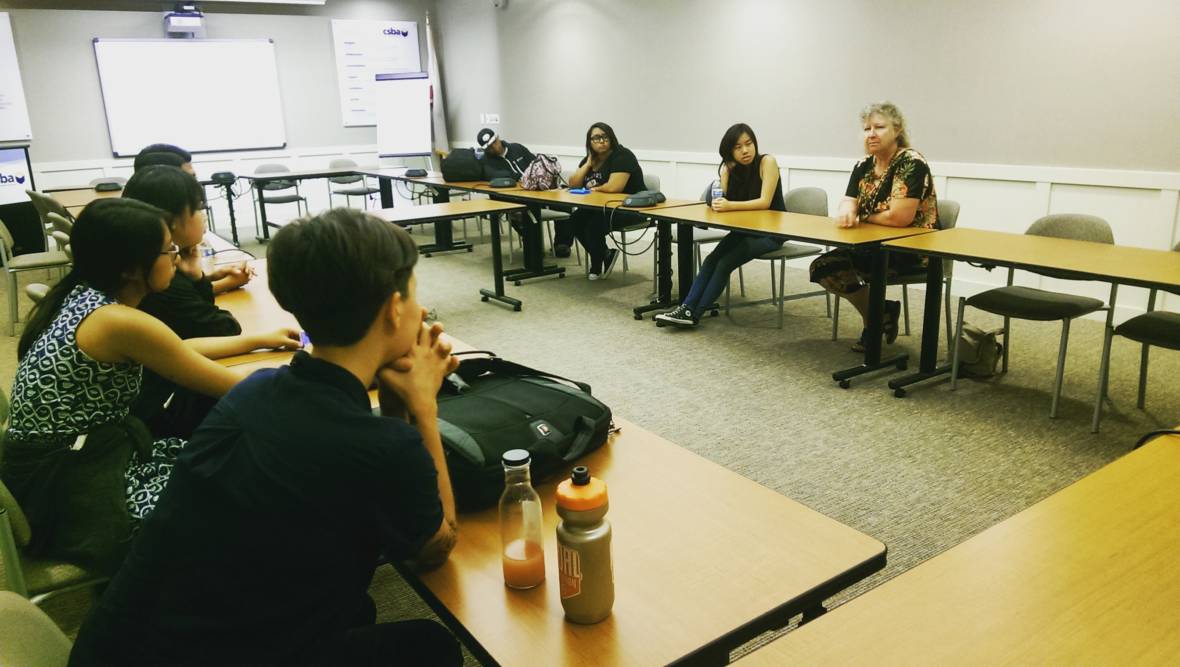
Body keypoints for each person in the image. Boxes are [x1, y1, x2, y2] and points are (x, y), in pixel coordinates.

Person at [70, 209, 463, 667]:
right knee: (430, 647)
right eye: (416, 296)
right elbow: (435, 546)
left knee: (355, 607)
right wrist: (424, 409)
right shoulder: (378, 448)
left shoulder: (257, 390)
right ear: (395, 309)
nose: (421, 311)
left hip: (119, 646)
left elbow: (368, 464)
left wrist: (396, 402)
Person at [0, 198, 299, 572]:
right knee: (240, 489)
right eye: (168, 250)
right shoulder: (116, 320)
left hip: (72, 460)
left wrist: (256, 339)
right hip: (72, 487)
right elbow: (236, 388)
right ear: (130, 268)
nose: (175, 257)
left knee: (221, 460)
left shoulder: (87, 296)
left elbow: (175, 352)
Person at [123, 165, 254, 437]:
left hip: (131, 420)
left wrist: (263, 340)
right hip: (123, 447)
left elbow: (180, 347)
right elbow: (216, 332)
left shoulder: (121, 294)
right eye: (196, 208)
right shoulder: (130, 310)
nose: (173, 255)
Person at [810, 101, 939, 352]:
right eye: (867, 128)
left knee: (857, 265)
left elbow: (899, 219)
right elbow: (848, 201)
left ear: (897, 129)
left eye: (879, 127)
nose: (871, 134)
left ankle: (873, 324)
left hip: (912, 250)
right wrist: (848, 210)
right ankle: (880, 314)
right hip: (872, 245)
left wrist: (863, 216)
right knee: (823, 267)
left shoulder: (910, 162)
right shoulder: (864, 165)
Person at [655, 123, 785, 327]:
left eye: (749, 144)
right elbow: (713, 200)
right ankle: (686, 307)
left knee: (725, 263)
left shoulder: (767, 162)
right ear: (729, 152)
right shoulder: (734, 169)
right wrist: (725, 173)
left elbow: (765, 202)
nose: (745, 150)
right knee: (712, 259)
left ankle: (694, 314)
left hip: (772, 233)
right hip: (746, 231)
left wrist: (730, 205)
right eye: (737, 147)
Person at [563, 122, 646, 279]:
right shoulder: (590, 159)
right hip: (599, 208)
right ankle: (605, 254)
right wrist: (587, 164)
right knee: (574, 221)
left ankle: (597, 263)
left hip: (628, 209)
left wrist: (593, 189)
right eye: (596, 138)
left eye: (604, 137)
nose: (601, 141)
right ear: (589, 142)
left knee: (593, 226)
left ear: (611, 138)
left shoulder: (623, 156)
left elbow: (614, 187)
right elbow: (573, 184)